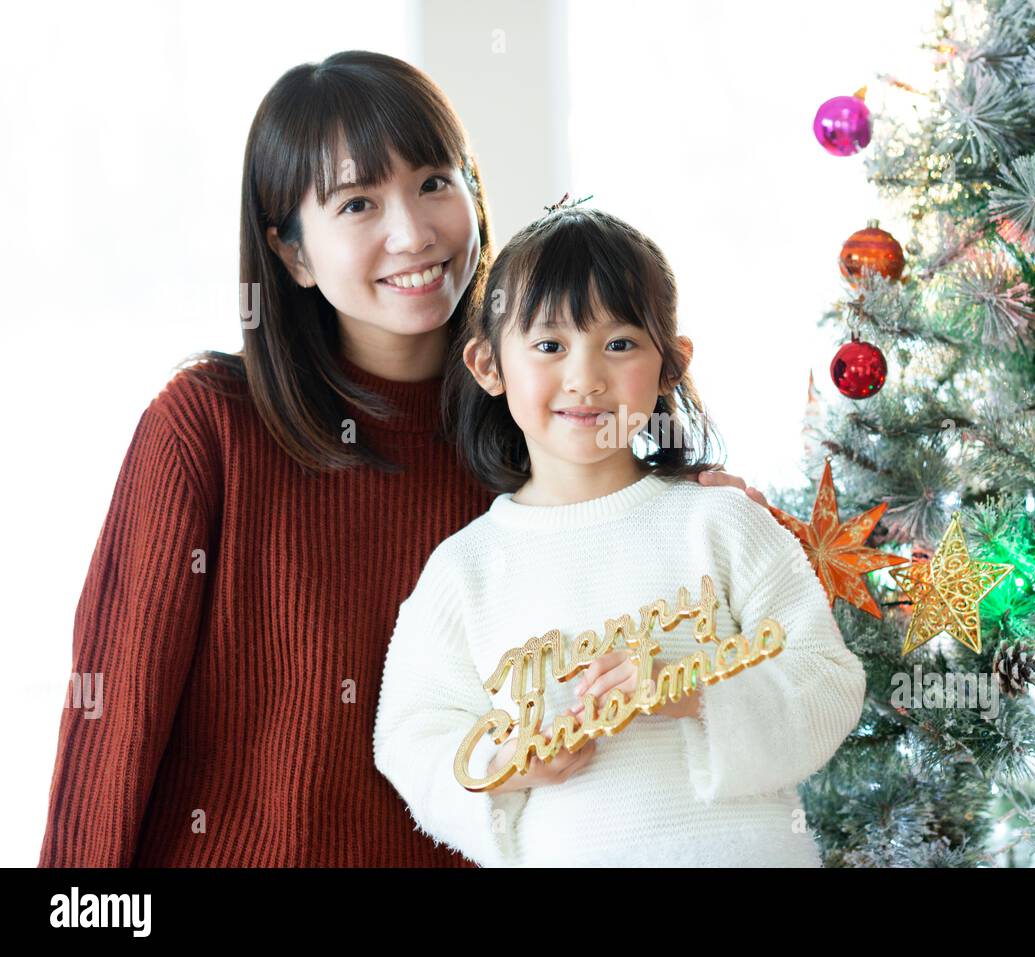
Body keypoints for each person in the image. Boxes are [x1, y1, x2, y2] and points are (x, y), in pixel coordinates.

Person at [38, 51, 761, 868]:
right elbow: (112, 725)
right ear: (293, 254)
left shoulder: (544, 433)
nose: (412, 232)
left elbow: (687, 637)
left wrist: (710, 514)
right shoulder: (207, 428)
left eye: (432, 182)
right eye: (356, 202)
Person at [372, 206, 867, 867]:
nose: (585, 377)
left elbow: (826, 681)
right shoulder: (466, 569)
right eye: (550, 346)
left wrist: (693, 692)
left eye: (620, 343)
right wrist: (506, 762)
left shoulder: (719, 521)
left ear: (671, 364)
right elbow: (409, 735)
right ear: (489, 364)